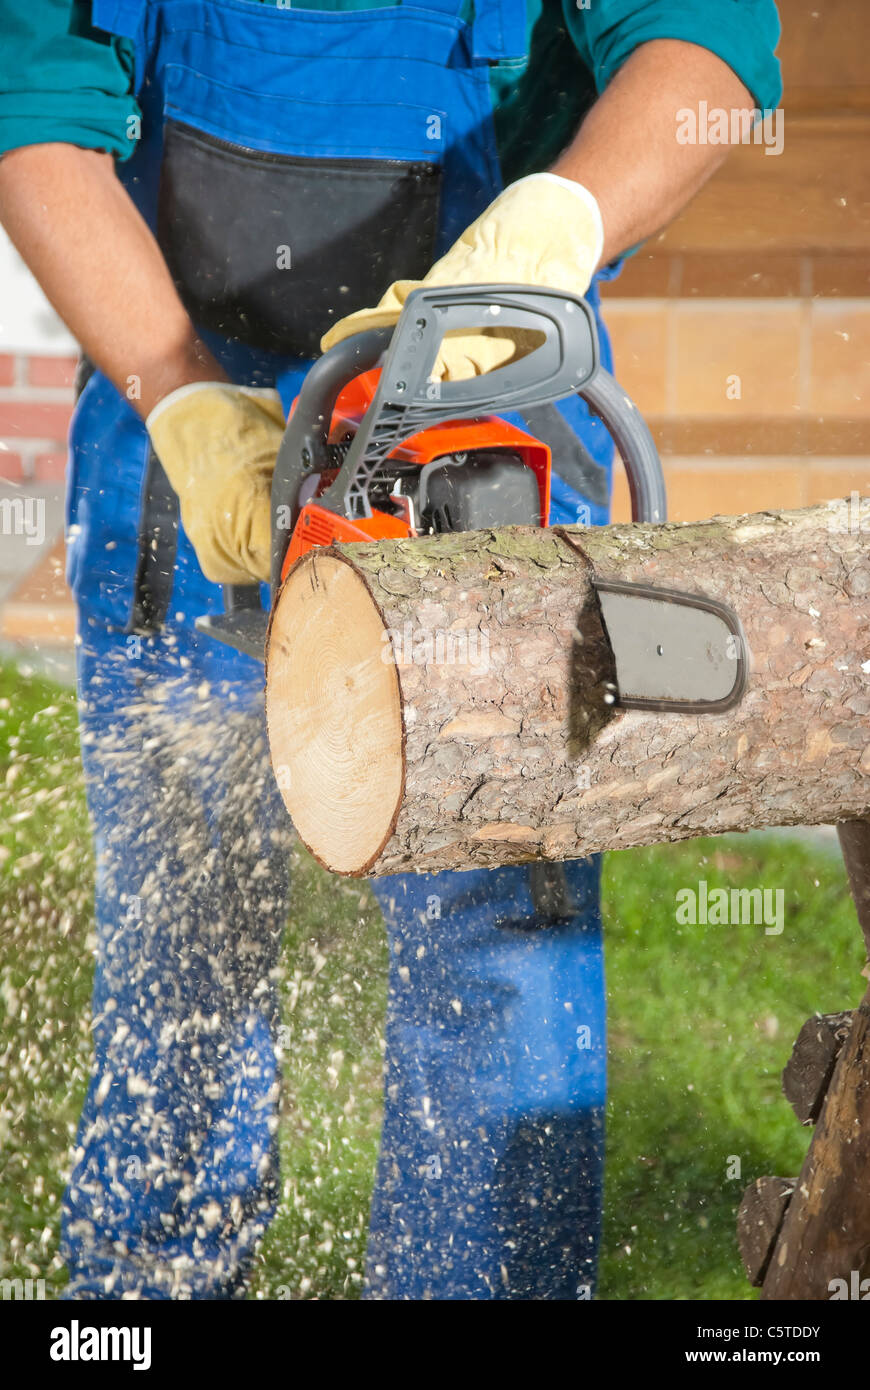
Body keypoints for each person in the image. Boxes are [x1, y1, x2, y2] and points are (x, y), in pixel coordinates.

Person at [0, 0, 781, 1300]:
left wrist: (552, 227)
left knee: (495, 973)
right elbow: (35, 101)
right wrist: (179, 393)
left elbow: (705, 47)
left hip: (478, 426)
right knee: (176, 964)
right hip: (188, 431)